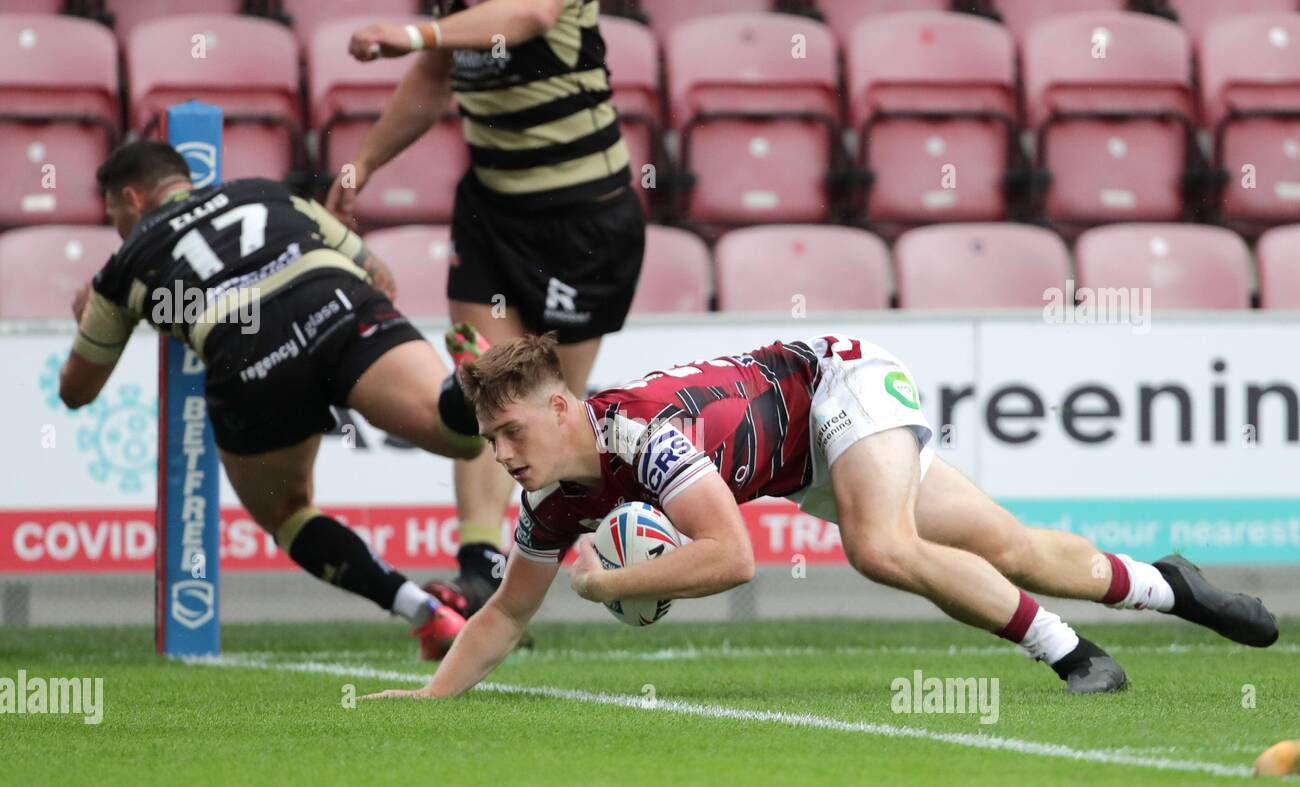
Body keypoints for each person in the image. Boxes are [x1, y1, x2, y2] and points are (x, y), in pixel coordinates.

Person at [364, 329, 1279, 699]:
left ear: (562, 409)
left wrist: (614, 581)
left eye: (510, 429)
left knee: (882, 548)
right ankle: (1172, 587)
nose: (501, 453)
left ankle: (1072, 656)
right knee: (1019, 549)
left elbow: (731, 559)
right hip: (802, 459)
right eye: (488, 439)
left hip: (836, 383)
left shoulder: (640, 436)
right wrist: (426, 702)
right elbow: (505, 615)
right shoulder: (553, 499)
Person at [58, 140, 477, 657]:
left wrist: (98, 311)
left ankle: (424, 612)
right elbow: (381, 276)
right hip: (336, 300)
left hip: (247, 351)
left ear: (133, 200)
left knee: (287, 512)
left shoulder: (123, 267)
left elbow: (77, 392)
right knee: (460, 438)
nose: (117, 226)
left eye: (114, 214)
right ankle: (468, 384)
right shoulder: (265, 191)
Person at [327, 0, 646, 625]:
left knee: (552, 414)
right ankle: (480, 573)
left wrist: (415, 35)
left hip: (585, 221)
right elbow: (433, 76)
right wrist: (364, 161)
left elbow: (528, 16)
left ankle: (564, 562)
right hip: (492, 216)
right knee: (491, 391)